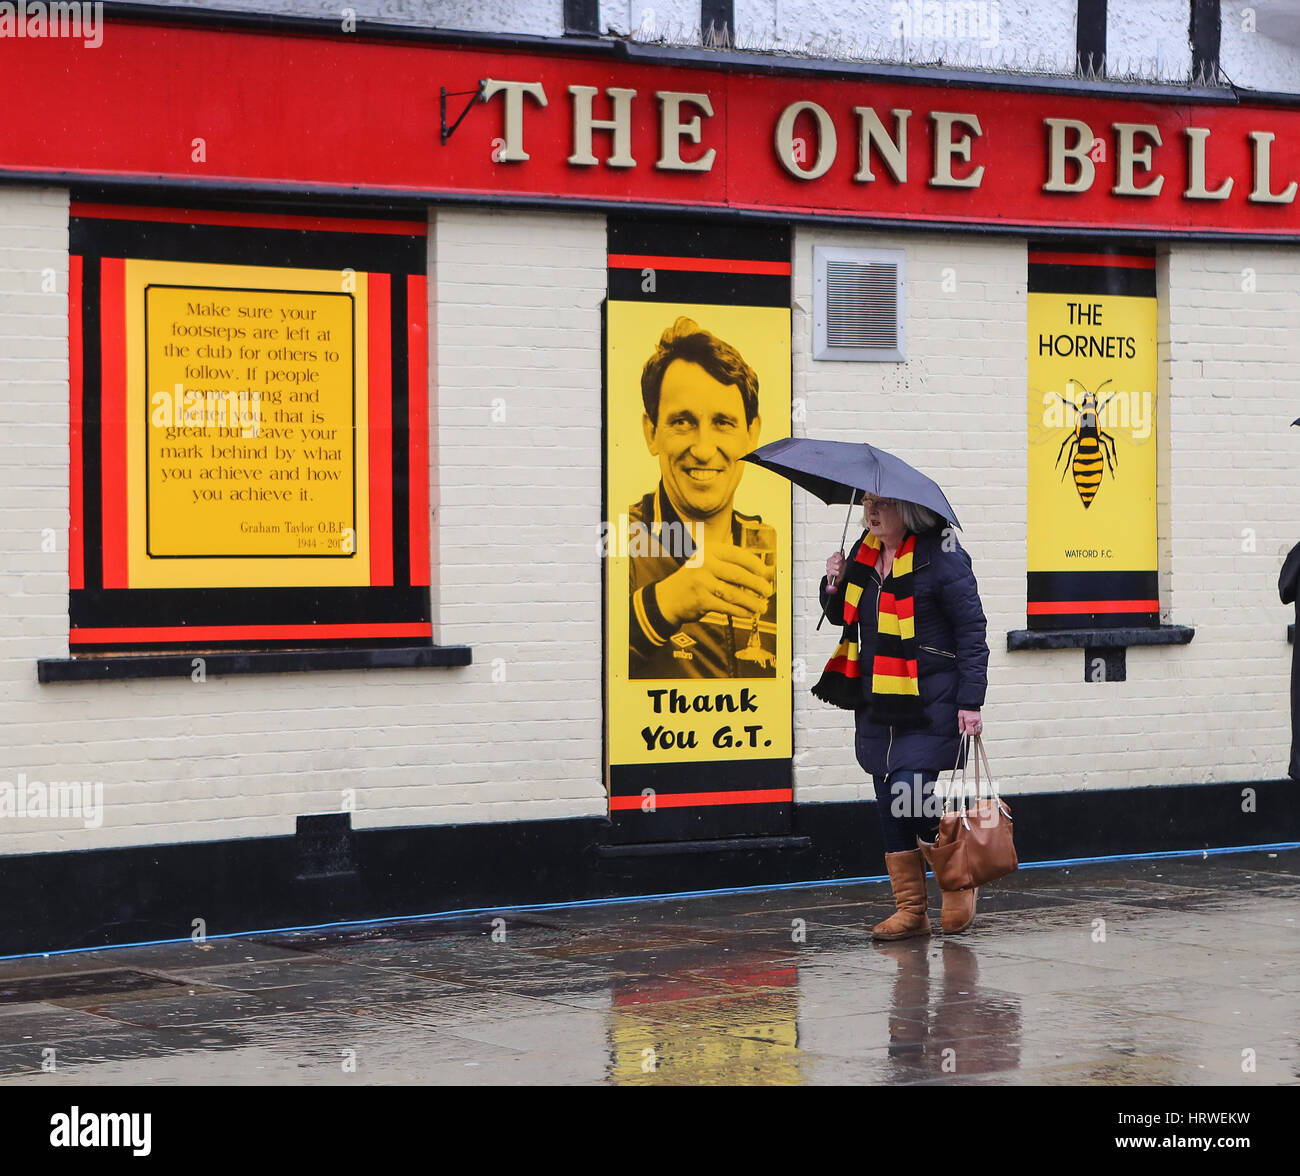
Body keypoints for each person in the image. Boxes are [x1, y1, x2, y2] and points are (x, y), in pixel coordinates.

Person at [815, 493, 989, 938]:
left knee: (910, 789)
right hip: (875, 696)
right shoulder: (862, 552)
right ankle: (911, 910)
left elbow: (972, 630)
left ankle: (957, 880)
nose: (872, 513)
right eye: (868, 504)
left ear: (909, 510)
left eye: (883, 505)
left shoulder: (942, 555)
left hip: (930, 696)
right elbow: (841, 616)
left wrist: (971, 700)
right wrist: (832, 580)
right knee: (888, 797)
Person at [627, 317, 777, 678]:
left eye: (723, 422)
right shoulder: (621, 540)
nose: (704, 450)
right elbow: (580, 655)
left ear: (751, 434)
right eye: (683, 422)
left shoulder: (772, 543)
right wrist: (663, 603)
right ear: (652, 433)